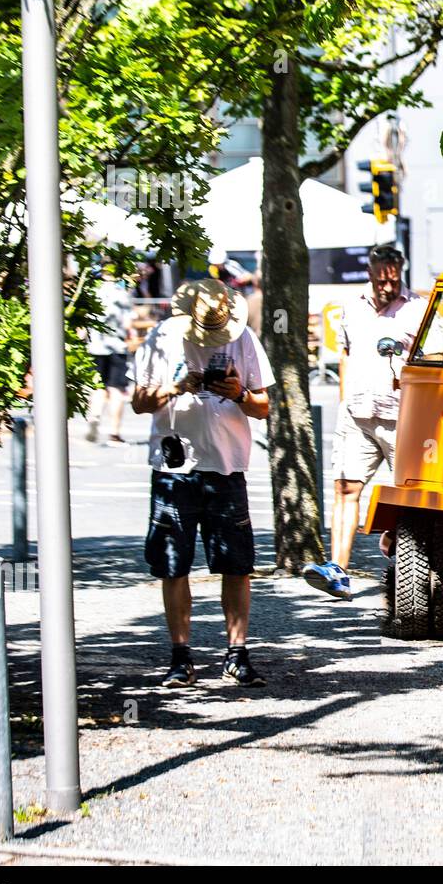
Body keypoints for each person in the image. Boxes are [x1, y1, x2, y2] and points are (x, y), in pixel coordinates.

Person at [131, 278, 274, 687]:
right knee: (173, 566)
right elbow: (139, 402)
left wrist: (239, 392)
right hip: (175, 468)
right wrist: (176, 387)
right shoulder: (162, 337)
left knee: (237, 565)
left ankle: (237, 653)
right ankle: (180, 656)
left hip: (226, 466)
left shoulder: (242, 338)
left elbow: (264, 407)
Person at [304, 245, 426, 599]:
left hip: (399, 414)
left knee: (410, 495)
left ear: (400, 272)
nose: (388, 282)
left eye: (394, 275)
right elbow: (345, 354)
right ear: (370, 272)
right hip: (357, 413)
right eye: (382, 274)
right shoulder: (352, 307)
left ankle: (399, 549)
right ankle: (337, 570)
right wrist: (345, 398)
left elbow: (433, 357)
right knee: (345, 488)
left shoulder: (416, 309)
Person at [85, 270, 134, 444]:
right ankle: (114, 431)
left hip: (96, 345)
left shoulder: (92, 292)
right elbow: (128, 323)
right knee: (117, 389)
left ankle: (94, 418)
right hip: (117, 346)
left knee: (98, 387)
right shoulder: (122, 294)